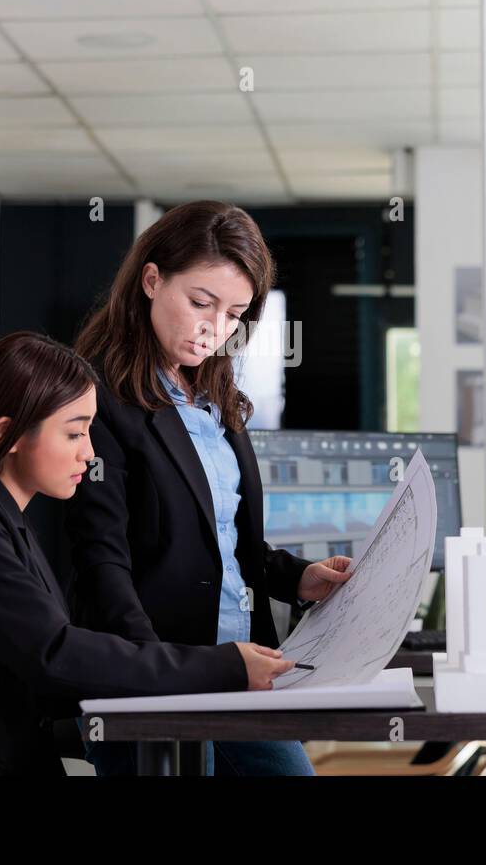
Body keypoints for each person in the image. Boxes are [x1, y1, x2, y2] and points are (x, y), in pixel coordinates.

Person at [0, 331, 293, 775]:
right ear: (10, 433)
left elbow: (47, 661)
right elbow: (55, 653)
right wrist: (222, 665)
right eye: (75, 433)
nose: (90, 453)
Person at [67, 200, 353, 776]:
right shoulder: (94, 400)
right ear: (151, 280)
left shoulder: (213, 396)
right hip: (147, 680)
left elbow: (223, 544)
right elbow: (103, 567)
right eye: (200, 303)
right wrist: (161, 677)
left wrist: (297, 577)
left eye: (234, 314)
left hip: (237, 672)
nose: (214, 330)